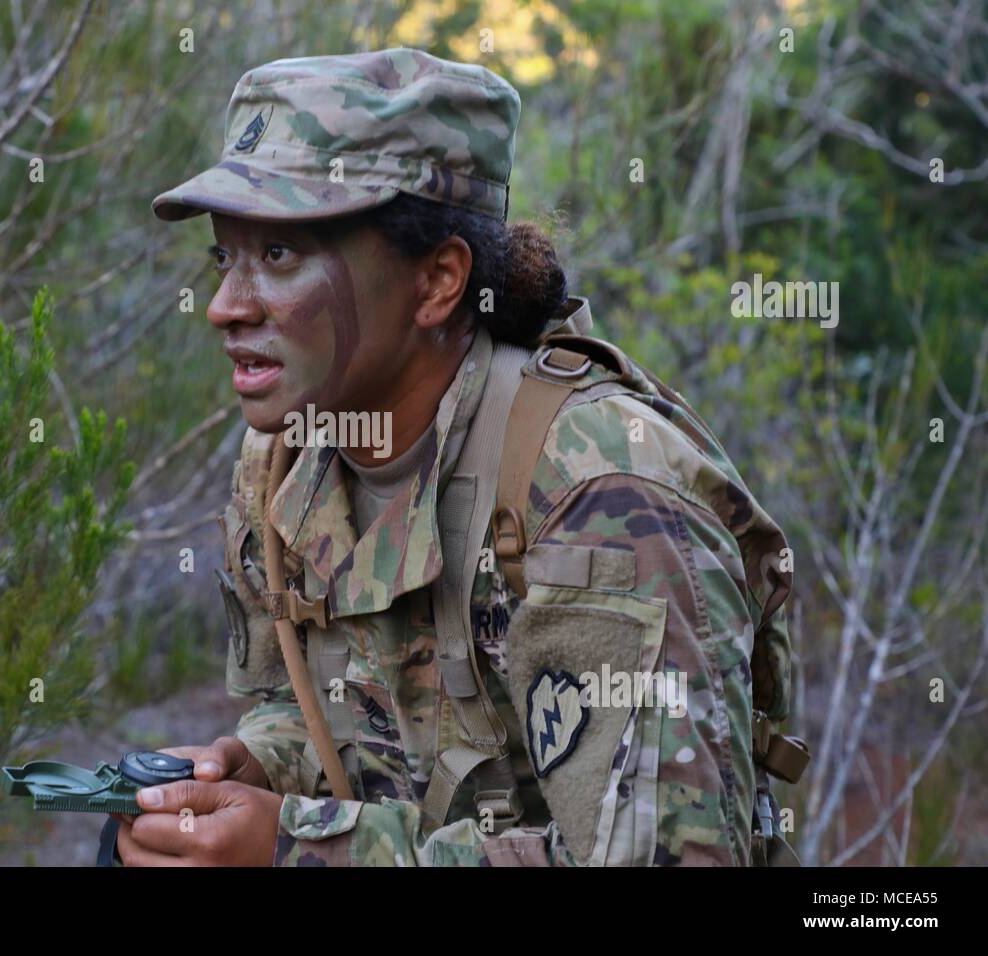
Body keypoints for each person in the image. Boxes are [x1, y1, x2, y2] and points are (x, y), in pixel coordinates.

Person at [109, 47, 804, 867]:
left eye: (282, 256)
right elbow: (332, 712)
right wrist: (258, 764)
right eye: (226, 256)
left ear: (439, 281)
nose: (225, 306)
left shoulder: (599, 490)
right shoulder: (286, 458)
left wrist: (298, 852)